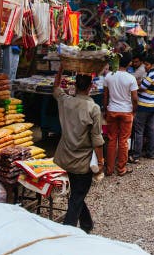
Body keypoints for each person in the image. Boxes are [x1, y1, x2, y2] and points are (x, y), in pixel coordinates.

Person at [53, 65, 105, 233]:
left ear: (74, 85)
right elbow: (97, 139)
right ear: (90, 87)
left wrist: (60, 70)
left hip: (66, 158)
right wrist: (102, 161)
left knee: (77, 193)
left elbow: (56, 88)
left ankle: (87, 224)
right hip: (83, 162)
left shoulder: (65, 100)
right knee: (77, 196)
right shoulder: (93, 108)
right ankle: (67, 232)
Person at [102, 54, 138, 176]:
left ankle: (109, 169)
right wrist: (134, 111)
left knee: (111, 140)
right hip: (126, 111)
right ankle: (121, 169)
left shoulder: (109, 76)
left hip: (112, 110)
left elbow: (105, 96)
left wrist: (106, 110)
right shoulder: (131, 78)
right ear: (129, 64)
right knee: (123, 141)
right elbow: (135, 98)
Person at [130, 55, 154, 163]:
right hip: (152, 106)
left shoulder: (152, 74)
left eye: (147, 65)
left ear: (152, 65)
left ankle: (136, 155)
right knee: (151, 130)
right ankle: (151, 153)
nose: (145, 67)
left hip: (144, 106)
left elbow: (142, 88)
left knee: (139, 131)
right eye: (145, 65)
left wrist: (134, 87)